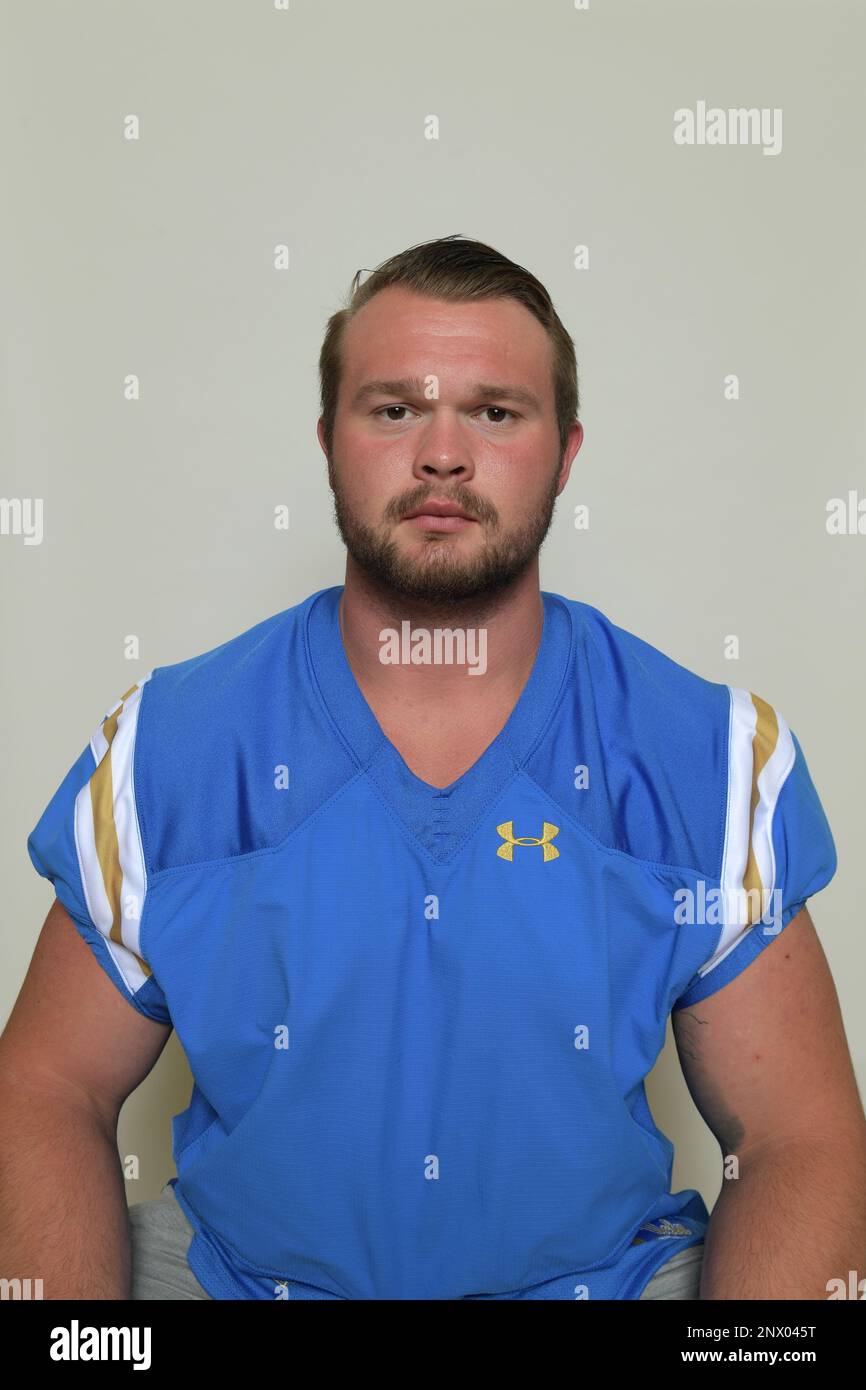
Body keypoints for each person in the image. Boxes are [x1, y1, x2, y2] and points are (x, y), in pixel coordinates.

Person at [4, 235, 864, 1301]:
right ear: (327, 441)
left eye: (495, 412)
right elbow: (47, 1085)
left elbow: (797, 1135)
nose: (442, 454)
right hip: (235, 1276)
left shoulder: (705, 758)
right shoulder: (172, 746)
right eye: (394, 409)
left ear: (565, 451)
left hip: (598, 1281)